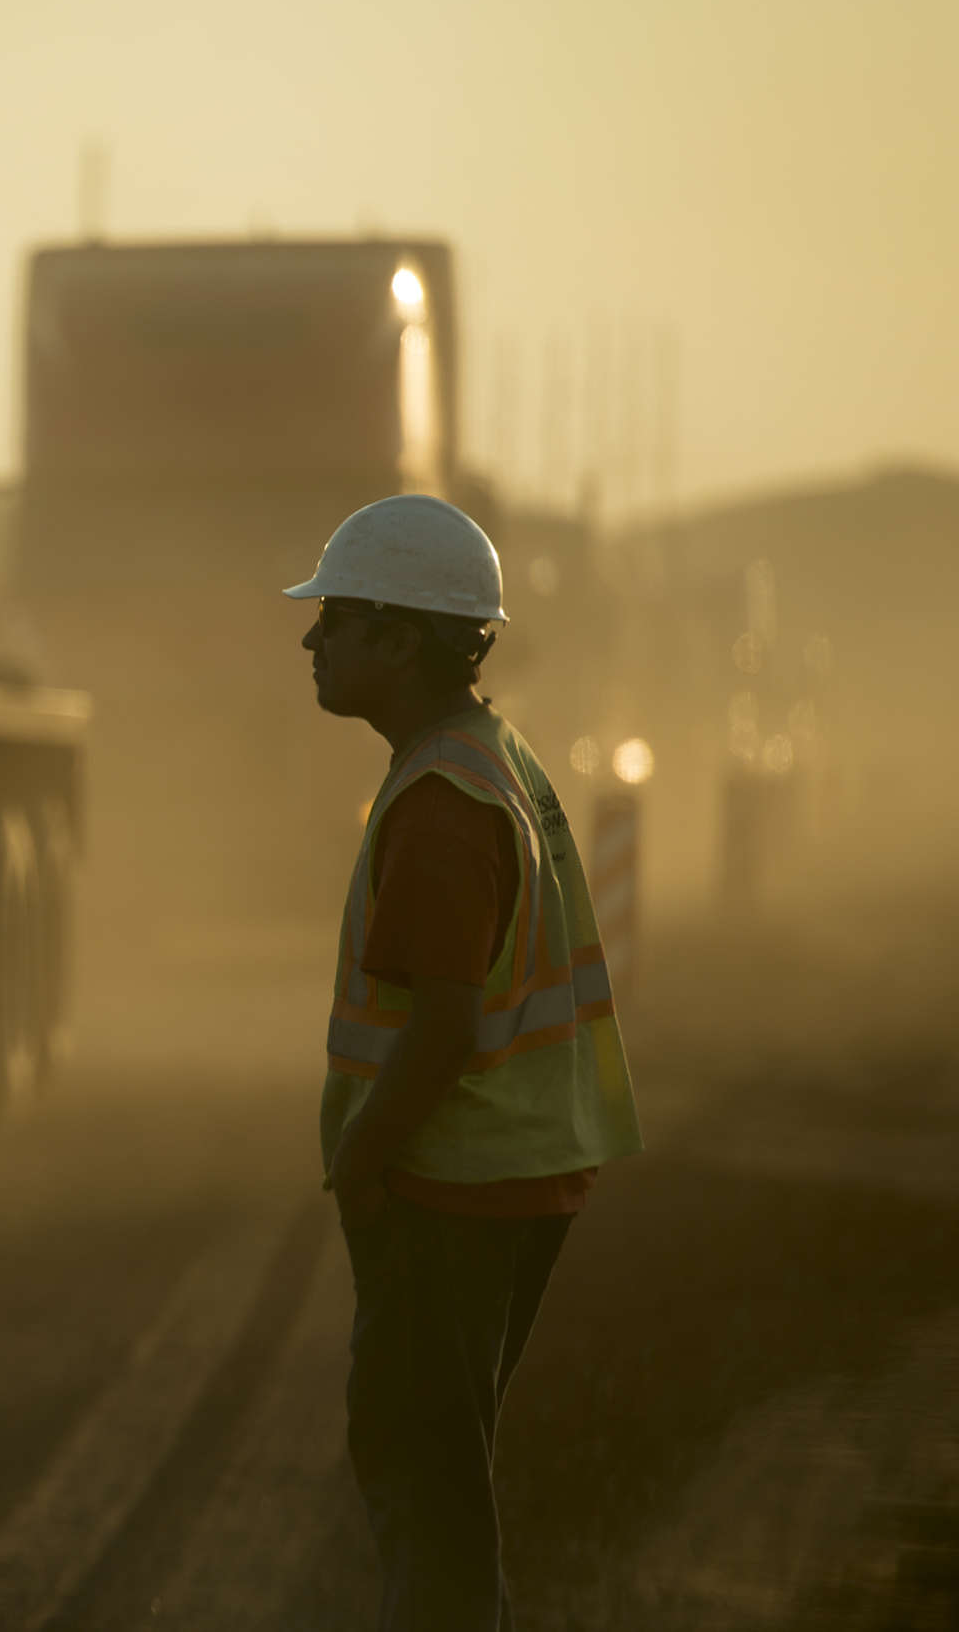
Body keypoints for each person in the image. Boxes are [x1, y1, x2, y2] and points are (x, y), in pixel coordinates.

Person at [284, 494, 644, 1631]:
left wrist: (363, 1153)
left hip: (452, 1187)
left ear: (402, 636)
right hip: (503, 1178)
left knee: (422, 1482)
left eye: (335, 618)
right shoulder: (487, 757)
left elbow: (446, 1028)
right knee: (444, 1476)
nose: (311, 640)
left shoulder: (441, 801)